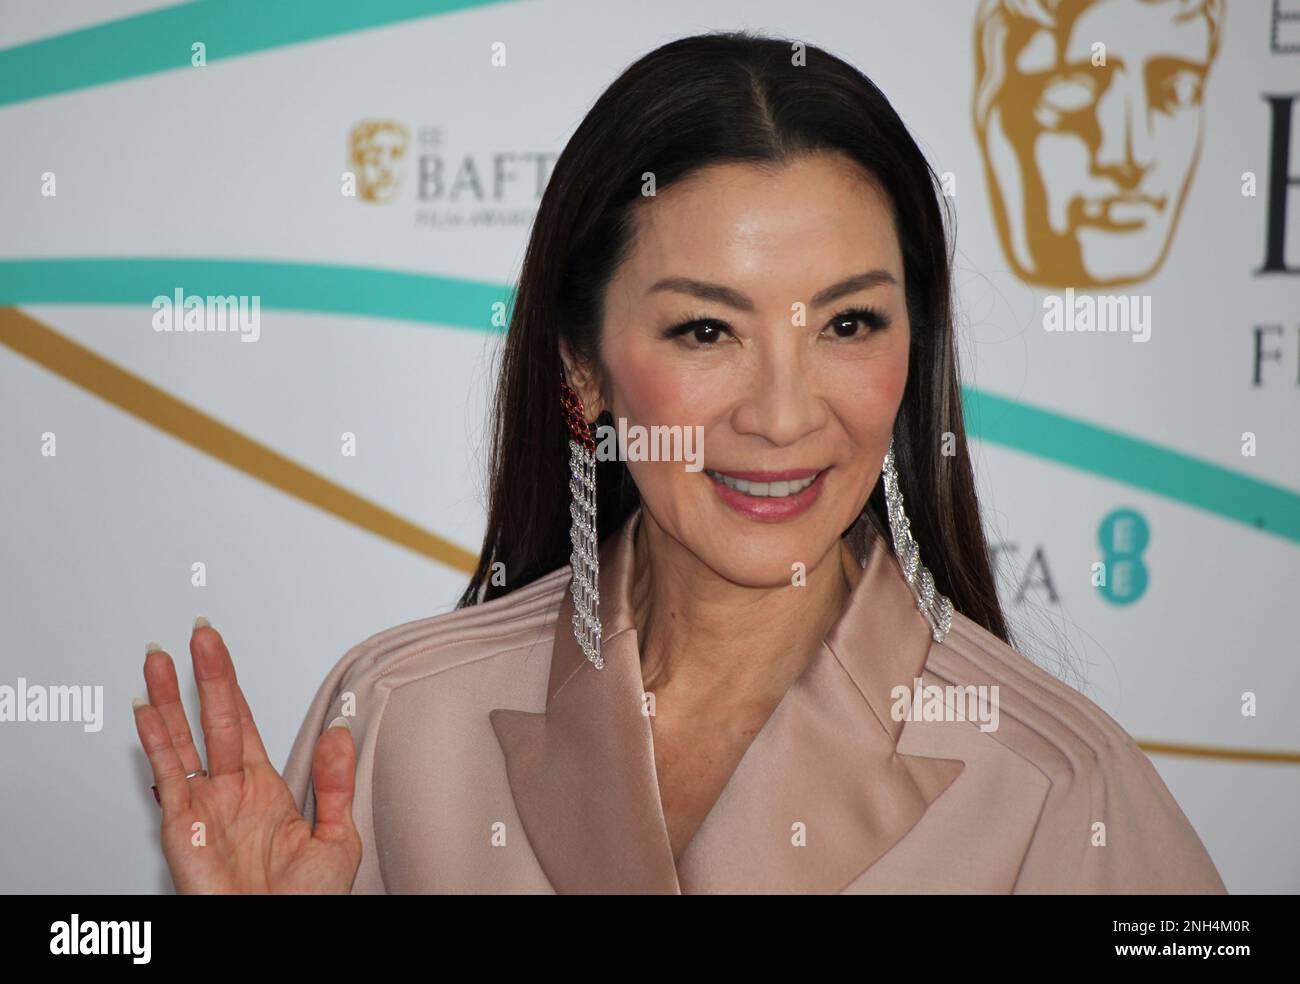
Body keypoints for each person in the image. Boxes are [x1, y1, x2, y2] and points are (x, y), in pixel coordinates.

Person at [132, 30, 1227, 894]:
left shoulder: (1056, 786)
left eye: (847, 325)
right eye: (706, 331)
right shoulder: (397, 722)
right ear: (582, 372)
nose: (785, 415)